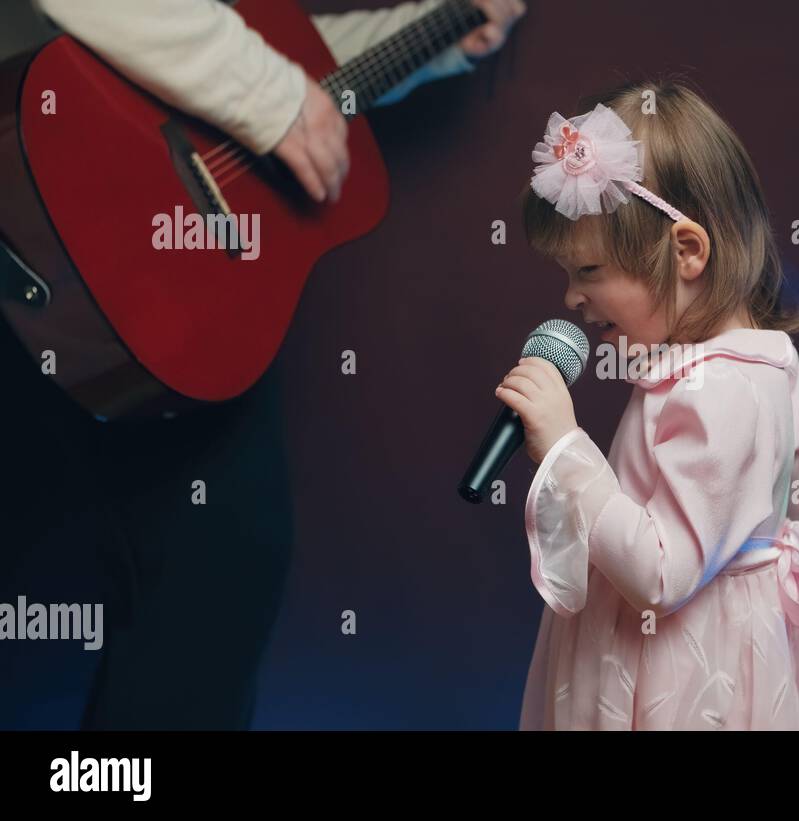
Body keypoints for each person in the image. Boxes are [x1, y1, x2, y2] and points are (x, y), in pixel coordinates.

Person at [0, 0, 523, 730]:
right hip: (33, 168)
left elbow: (282, 54)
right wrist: (272, 99)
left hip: (147, 304)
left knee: (221, 568)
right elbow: (273, 82)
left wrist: (433, 34)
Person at [496, 81, 799, 730]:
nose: (571, 300)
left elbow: (660, 574)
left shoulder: (716, 390)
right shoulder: (766, 362)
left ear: (687, 251)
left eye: (588, 271)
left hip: (684, 675)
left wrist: (564, 448)